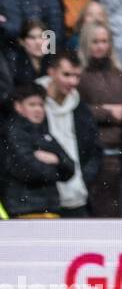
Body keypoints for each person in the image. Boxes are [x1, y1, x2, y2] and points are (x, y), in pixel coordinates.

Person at [35, 50, 101, 217]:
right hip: (42, 199)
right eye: (66, 74)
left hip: (77, 197)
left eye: (77, 76)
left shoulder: (81, 109)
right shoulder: (32, 103)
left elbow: (95, 149)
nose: (72, 81)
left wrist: (84, 180)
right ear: (51, 72)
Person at [78, 19, 122, 217]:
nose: (101, 46)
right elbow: (77, 109)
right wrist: (108, 112)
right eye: (95, 41)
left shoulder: (121, 76)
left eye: (104, 41)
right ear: (85, 43)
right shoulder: (79, 76)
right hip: (96, 153)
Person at [2, 83, 75, 217]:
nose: (38, 109)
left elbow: (71, 167)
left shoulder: (44, 134)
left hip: (50, 209)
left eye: (41, 105)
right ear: (18, 107)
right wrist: (58, 169)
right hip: (24, 210)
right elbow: (28, 170)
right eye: (32, 104)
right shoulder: (12, 133)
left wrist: (56, 159)